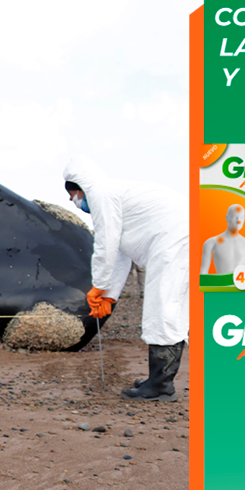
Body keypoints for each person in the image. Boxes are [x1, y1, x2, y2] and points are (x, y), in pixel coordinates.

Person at [63, 156, 188, 402]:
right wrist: (109, 293)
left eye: (72, 193)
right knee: (170, 309)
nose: (71, 199)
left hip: (173, 242)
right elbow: (120, 253)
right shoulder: (115, 194)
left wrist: (98, 286)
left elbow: (106, 244)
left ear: (81, 187)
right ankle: (159, 380)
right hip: (179, 239)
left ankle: (161, 387)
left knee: (162, 309)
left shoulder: (101, 194)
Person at [200, 203, 245, 275]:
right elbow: (203, 272)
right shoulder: (211, 243)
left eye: (241, 217)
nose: (238, 220)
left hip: (242, 284)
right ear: (227, 218)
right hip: (220, 285)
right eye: (235, 217)